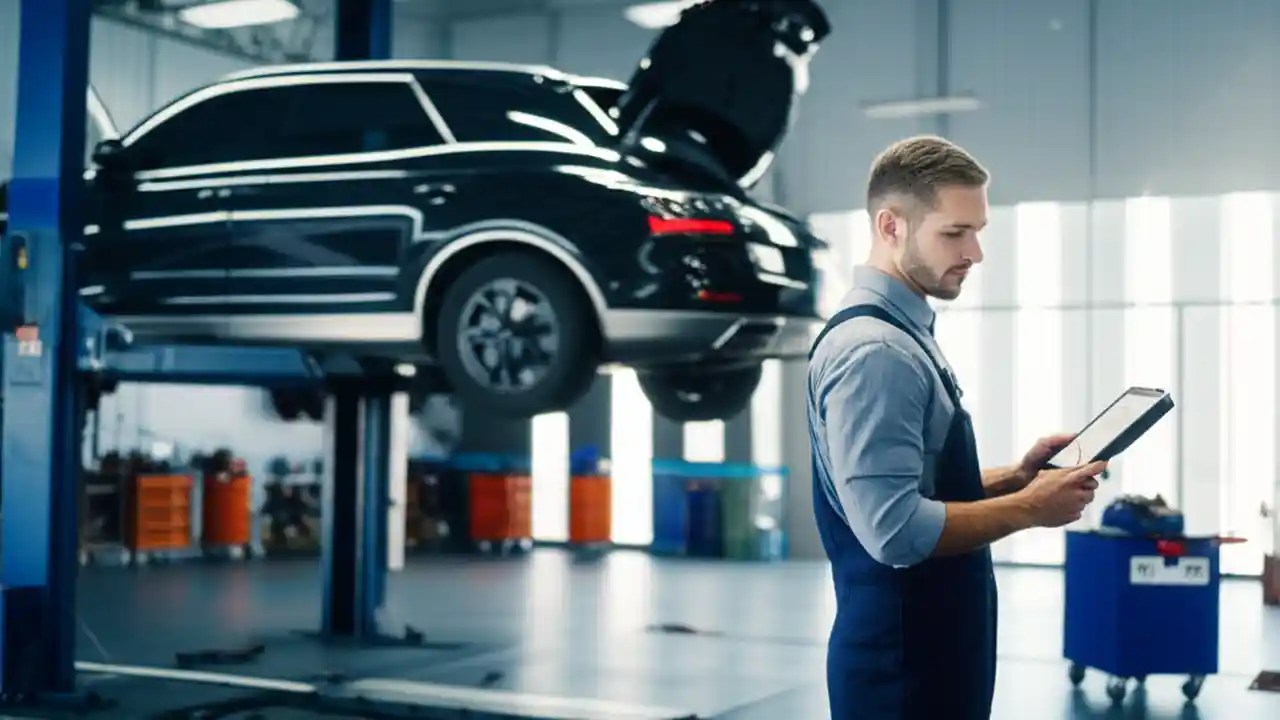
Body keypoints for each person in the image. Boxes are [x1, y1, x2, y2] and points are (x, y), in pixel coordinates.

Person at [806, 135, 1107, 720]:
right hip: (902, 677)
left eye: (978, 230)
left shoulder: (904, 333)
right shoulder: (877, 351)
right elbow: (894, 530)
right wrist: (1030, 510)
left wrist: (1017, 480)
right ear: (890, 226)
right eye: (954, 233)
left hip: (927, 661)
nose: (975, 251)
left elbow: (911, 488)